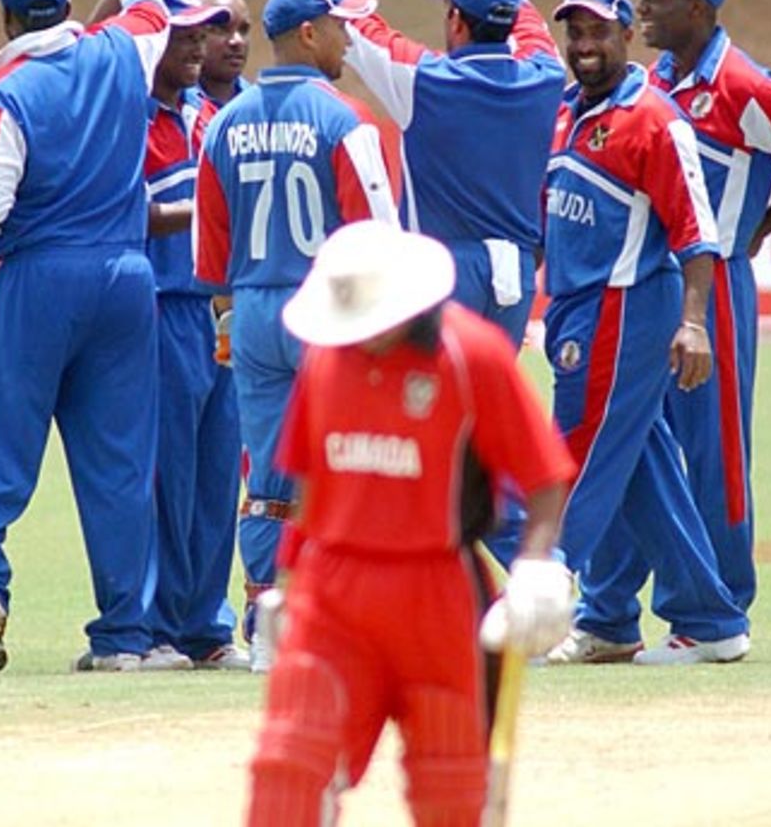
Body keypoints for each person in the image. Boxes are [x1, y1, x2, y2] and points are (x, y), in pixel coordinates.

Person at [563, 0, 771, 664]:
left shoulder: (742, 82)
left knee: (711, 449)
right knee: (637, 445)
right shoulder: (657, 78)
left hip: (710, 282)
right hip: (651, 284)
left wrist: (752, 231)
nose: (644, 8)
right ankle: (609, 613)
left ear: (698, 7)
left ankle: (720, 613)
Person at [245, 220, 575, 826]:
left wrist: (536, 564)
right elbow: (311, 482)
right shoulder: (326, 355)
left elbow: (545, 472)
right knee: (287, 772)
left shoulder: (472, 354)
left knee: (450, 791)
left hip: (436, 593)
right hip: (330, 594)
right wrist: (285, 586)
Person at [0, 0, 181, 674]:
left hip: (39, 277)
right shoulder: (121, 52)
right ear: (69, 8)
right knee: (119, 464)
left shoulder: (5, 91)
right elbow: (149, 7)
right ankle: (123, 636)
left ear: (9, 20)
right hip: (126, 277)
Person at [538, 0, 749, 666]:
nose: (585, 46)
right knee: (642, 467)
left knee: (575, 451)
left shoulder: (655, 118)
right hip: (577, 307)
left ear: (626, 36)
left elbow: (696, 230)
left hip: (624, 306)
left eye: (599, 31)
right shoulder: (567, 110)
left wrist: (694, 323)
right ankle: (704, 621)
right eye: (575, 33)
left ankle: (542, 590)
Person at [193, 0, 398, 670]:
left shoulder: (224, 124)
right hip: (329, 309)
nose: (349, 39)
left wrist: (230, 320)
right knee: (350, 461)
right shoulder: (346, 119)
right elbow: (378, 235)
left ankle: (267, 621)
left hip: (253, 309)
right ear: (309, 34)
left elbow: (211, 247)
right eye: (341, 26)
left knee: (268, 475)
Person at [309, 0, 565, 353]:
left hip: (442, 267)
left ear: (456, 20)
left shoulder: (425, 81)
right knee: (489, 386)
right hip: (515, 273)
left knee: (432, 388)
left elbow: (352, 20)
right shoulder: (546, 73)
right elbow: (522, 7)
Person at [143, 0, 249, 670]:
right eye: (201, 33)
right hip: (160, 308)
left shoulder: (220, 118)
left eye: (236, 29)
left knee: (217, 477)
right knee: (166, 474)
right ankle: (154, 625)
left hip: (223, 311)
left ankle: (207, 627)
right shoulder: (131, 116)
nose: (220, 42)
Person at [195, 0, 253, 107]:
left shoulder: (260, 104)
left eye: (243, 30)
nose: (237, 41)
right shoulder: (170, 104)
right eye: (220, 29)